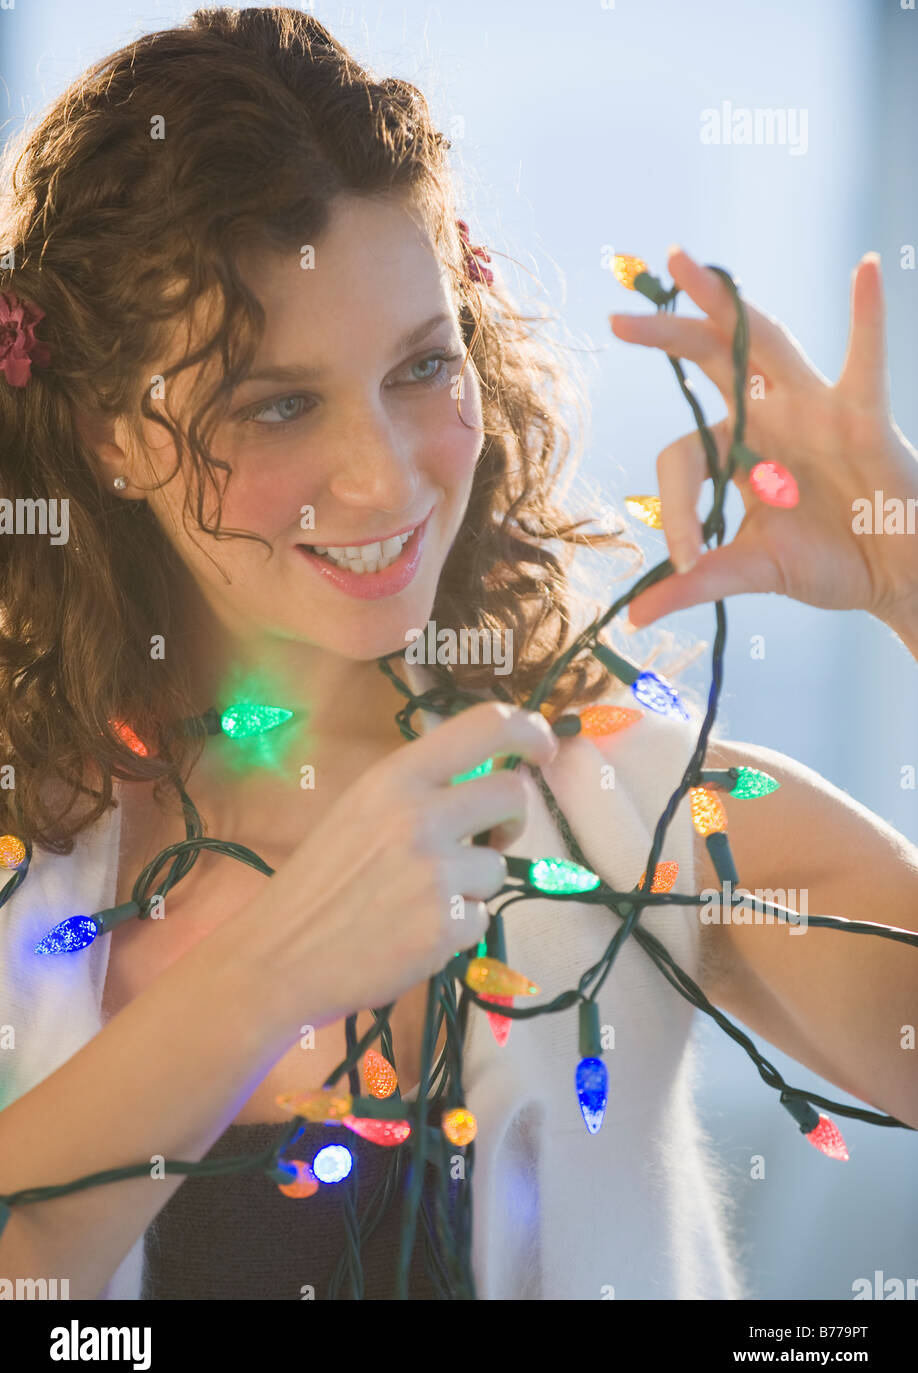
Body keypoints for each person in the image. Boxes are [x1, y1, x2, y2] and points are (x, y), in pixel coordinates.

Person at [0, 7, 916, 1302]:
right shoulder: (21, 848)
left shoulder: (628, 805)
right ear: (108, 435)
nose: (382, 474)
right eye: (276, 403)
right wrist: (271, 976)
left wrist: (907, 570)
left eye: (422, 367)